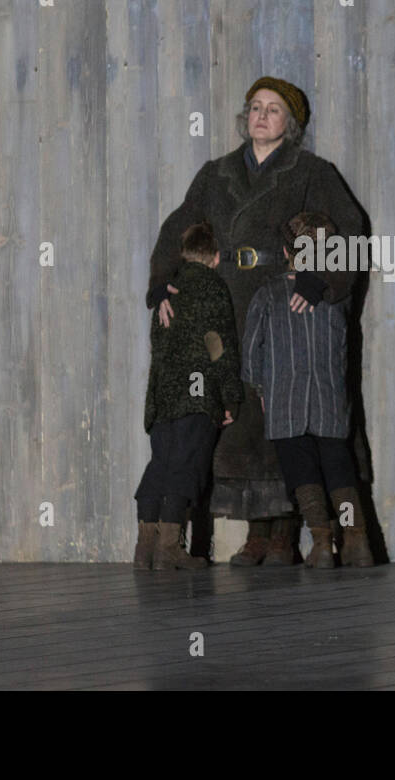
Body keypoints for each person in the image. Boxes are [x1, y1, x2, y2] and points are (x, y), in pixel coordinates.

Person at [146, 77, 365, 565]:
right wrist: (163, 283)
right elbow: (177, 227)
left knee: (286, 415)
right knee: (238, 415)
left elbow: (351, 231)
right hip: (226, 302)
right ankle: (257, 534)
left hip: (286, 307)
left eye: (274, 110)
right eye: (255, 108)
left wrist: (320, 279)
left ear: (291, 126)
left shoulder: (313, 171)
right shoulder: (215, 174)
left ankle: (288, 533)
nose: (262, 116)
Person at [242, 212, 373, 569]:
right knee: (339, 469)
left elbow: (252, 353)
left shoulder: (268, 295)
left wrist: (260, 387)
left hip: (285, 400)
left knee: (302, 472)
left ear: (286, 250)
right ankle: (357, 540)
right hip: (330, 396)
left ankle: (322, 543)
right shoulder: (336, 296)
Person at [136, 223, 243, 570]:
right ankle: (169, 548)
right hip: (196, 395)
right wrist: (230, 396)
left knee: (160, 465)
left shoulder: (167, 291)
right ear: (214, 258)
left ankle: (144, 548)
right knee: (186, 465)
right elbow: (218, 345)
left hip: (163, 395)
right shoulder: (213, 287)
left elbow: (159, 342)